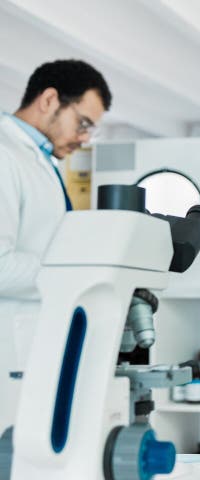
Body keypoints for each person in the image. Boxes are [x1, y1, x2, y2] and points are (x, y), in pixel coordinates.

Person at [0, 60, 112, 432]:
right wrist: (78, 272)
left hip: (34, 347)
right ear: (49, 100)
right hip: (10, 353)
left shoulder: (38, 160)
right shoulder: (4, 155)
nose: (84, 139)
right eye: (83, 124)